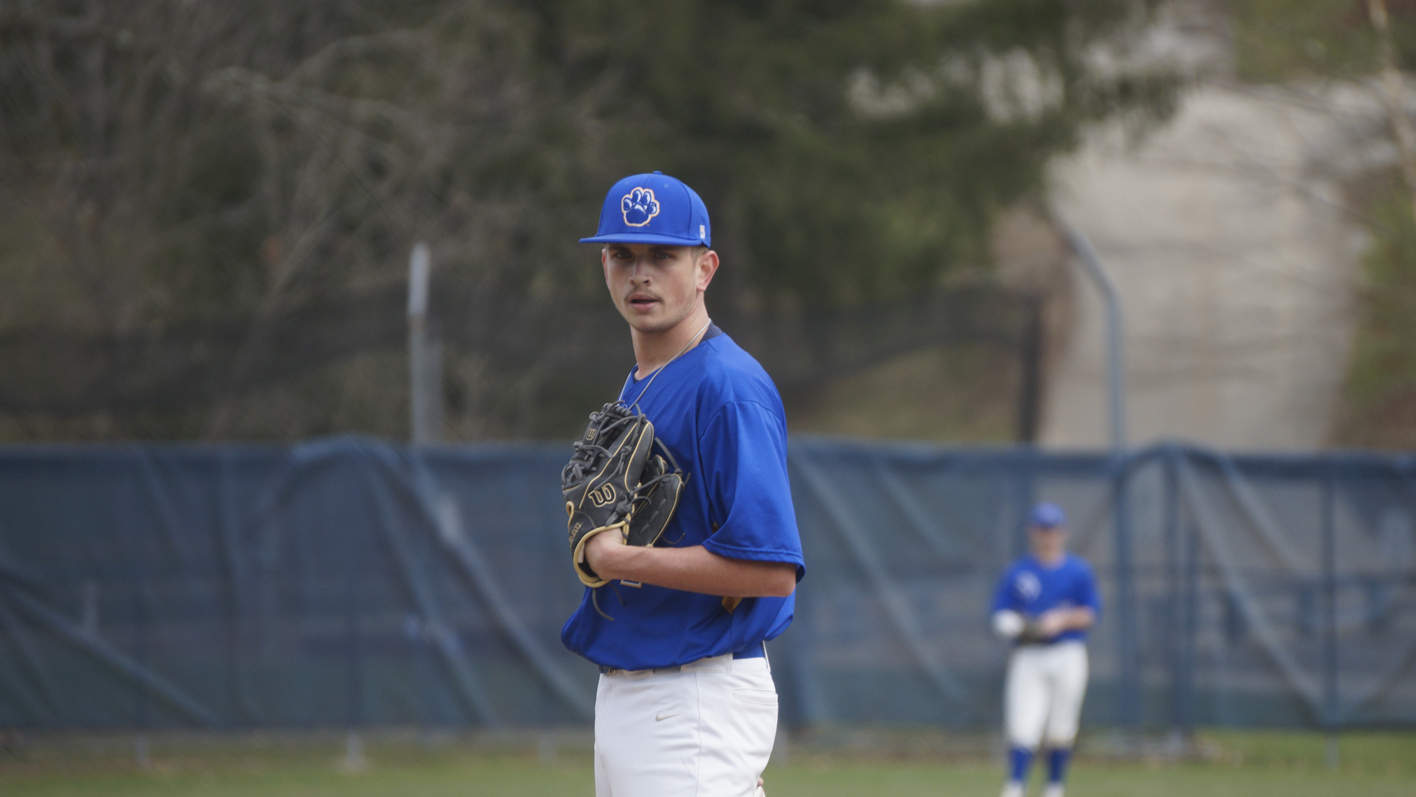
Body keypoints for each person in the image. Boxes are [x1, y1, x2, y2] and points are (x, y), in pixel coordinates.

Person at [560, 171, 806, 797]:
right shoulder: (642, 381)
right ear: (605, 266)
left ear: (705, 269)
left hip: (692, 692)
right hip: (644, 691)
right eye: (623, 255)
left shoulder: (727, 387)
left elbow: (772, 570)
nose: (640, 275)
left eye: (663, 255)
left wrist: (617, 559)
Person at [990, 501, 1101, 797]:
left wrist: (1060, 620)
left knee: (1062, 726)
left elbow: (1090, 613)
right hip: (1029, 654)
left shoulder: (1078, 571)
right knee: (1023, 724)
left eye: (1052, 530)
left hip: (1067, 652)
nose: (1047, 536)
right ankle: (1015, 786)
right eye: (1042, 529)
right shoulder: (1018, 571)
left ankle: (1054, 787)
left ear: (1062, 533)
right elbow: (1000, 614)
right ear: (1032, 532)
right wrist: (1019, 625)